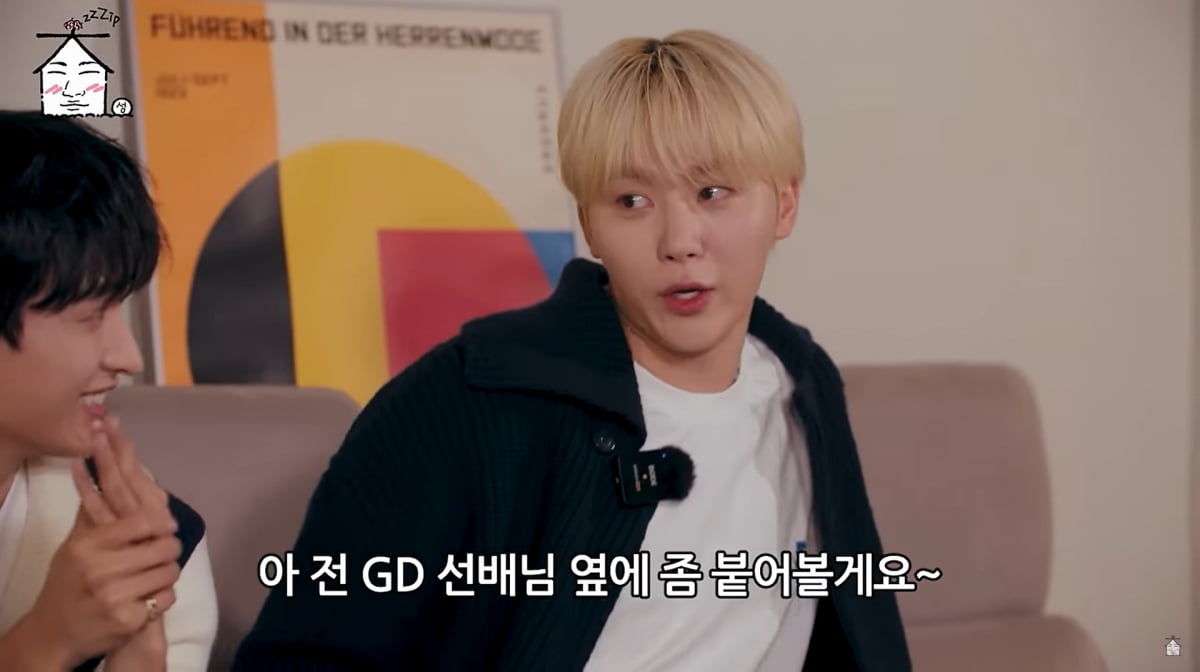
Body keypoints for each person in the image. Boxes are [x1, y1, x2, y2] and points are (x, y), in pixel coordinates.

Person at [235, 29, 909, 671]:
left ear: (784, 206)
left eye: (713, 193)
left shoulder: (803, 383)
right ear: (589, 223)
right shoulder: (460, 400)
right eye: (632, 200)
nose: (679, 241)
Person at [0, 111, 218, 671]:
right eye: (90, 315)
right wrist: (45, 643)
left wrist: (139, 656)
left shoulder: (147, 542)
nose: (129, 358)